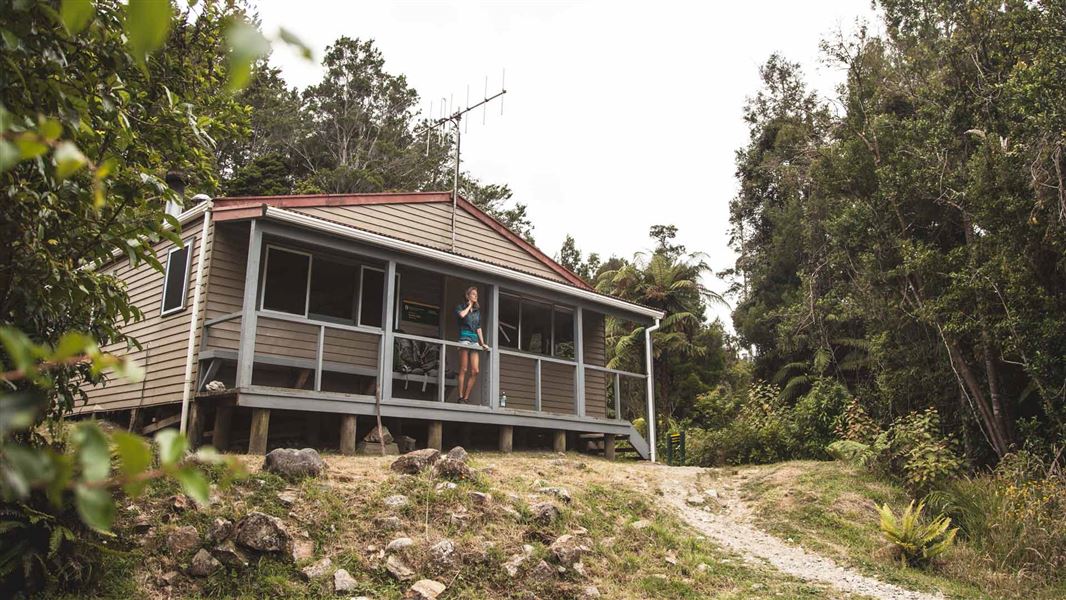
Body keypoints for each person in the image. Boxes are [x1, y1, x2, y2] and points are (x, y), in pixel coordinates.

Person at [455, 286, 488, 403]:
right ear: (467, 295)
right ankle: (460, 396)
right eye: (473, 294)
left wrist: (482, 343)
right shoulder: (460, 307)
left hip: (474, 340)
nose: (475, 296)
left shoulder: (477, 312)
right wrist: (469, 306)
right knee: (463, 368)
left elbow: (478, 328)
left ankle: (466, 397)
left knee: (475, 371)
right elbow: (462, 315)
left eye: (476, 294)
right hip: (464, 338)